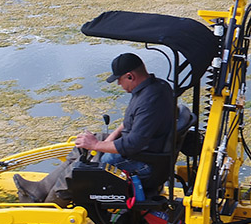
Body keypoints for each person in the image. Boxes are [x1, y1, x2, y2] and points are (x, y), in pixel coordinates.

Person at [14, 52, 175, 203]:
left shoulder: (149, 100)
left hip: (144, 163)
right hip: (146, 149)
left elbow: (132, 145)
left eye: (119, 79)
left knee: (80, 169)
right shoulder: (156, 87)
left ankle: (48, 209)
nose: (119, 84)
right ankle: (40, 189)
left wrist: (97, 146)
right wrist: (103, 140)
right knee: (82, 148)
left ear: (130, 76)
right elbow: (131, 122)